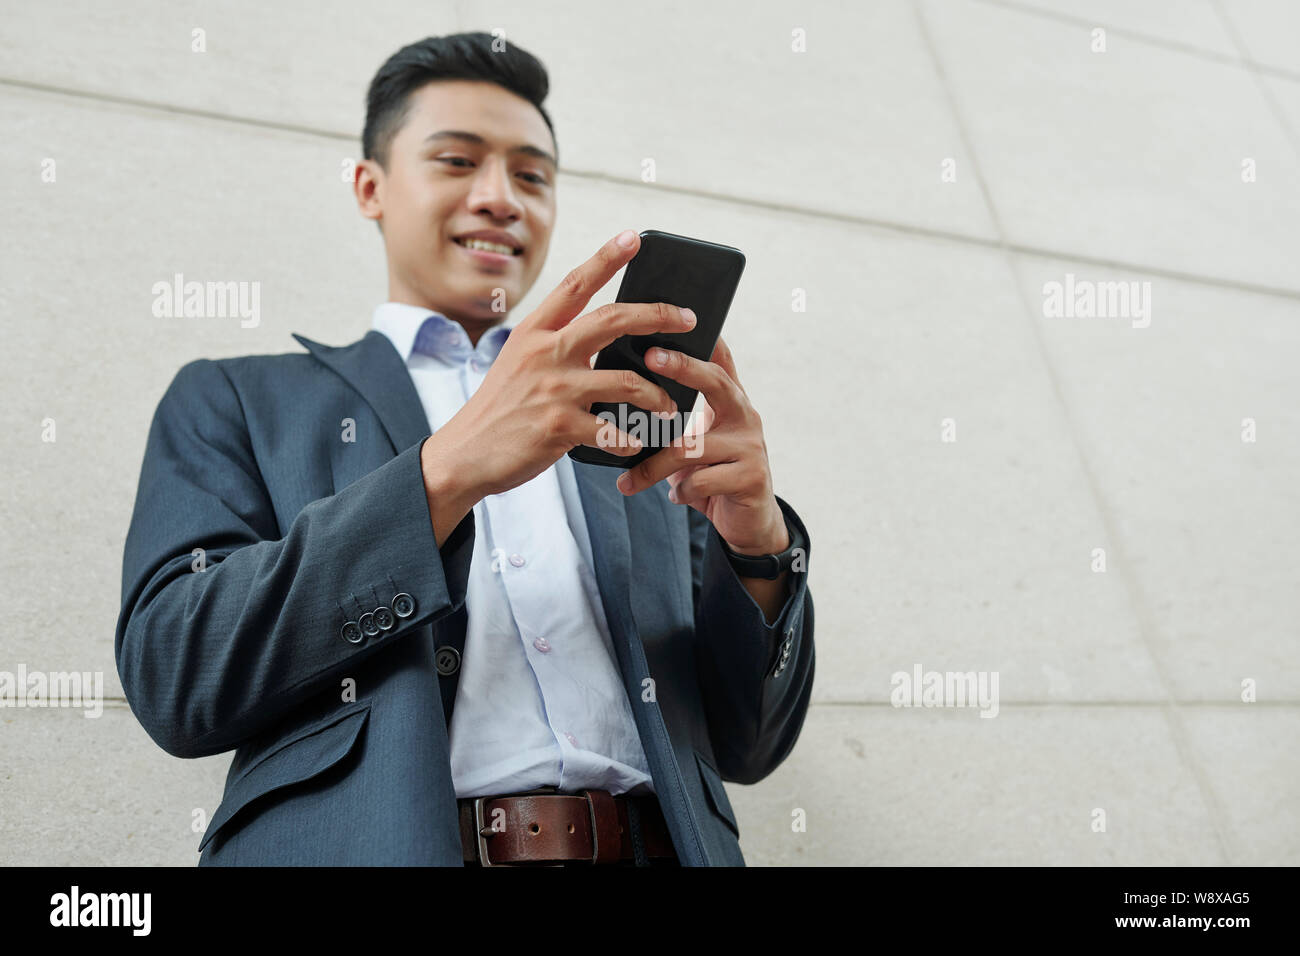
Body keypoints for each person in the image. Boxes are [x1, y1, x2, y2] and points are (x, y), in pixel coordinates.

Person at [115, 31, 814, 866]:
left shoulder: (629, 425)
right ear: (370, 187)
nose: (501, 198)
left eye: (532, 175)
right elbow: (176, 673)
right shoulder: (236, 398)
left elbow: (747, 747)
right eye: (456, 161)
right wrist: (442, 475)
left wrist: (757, 551)